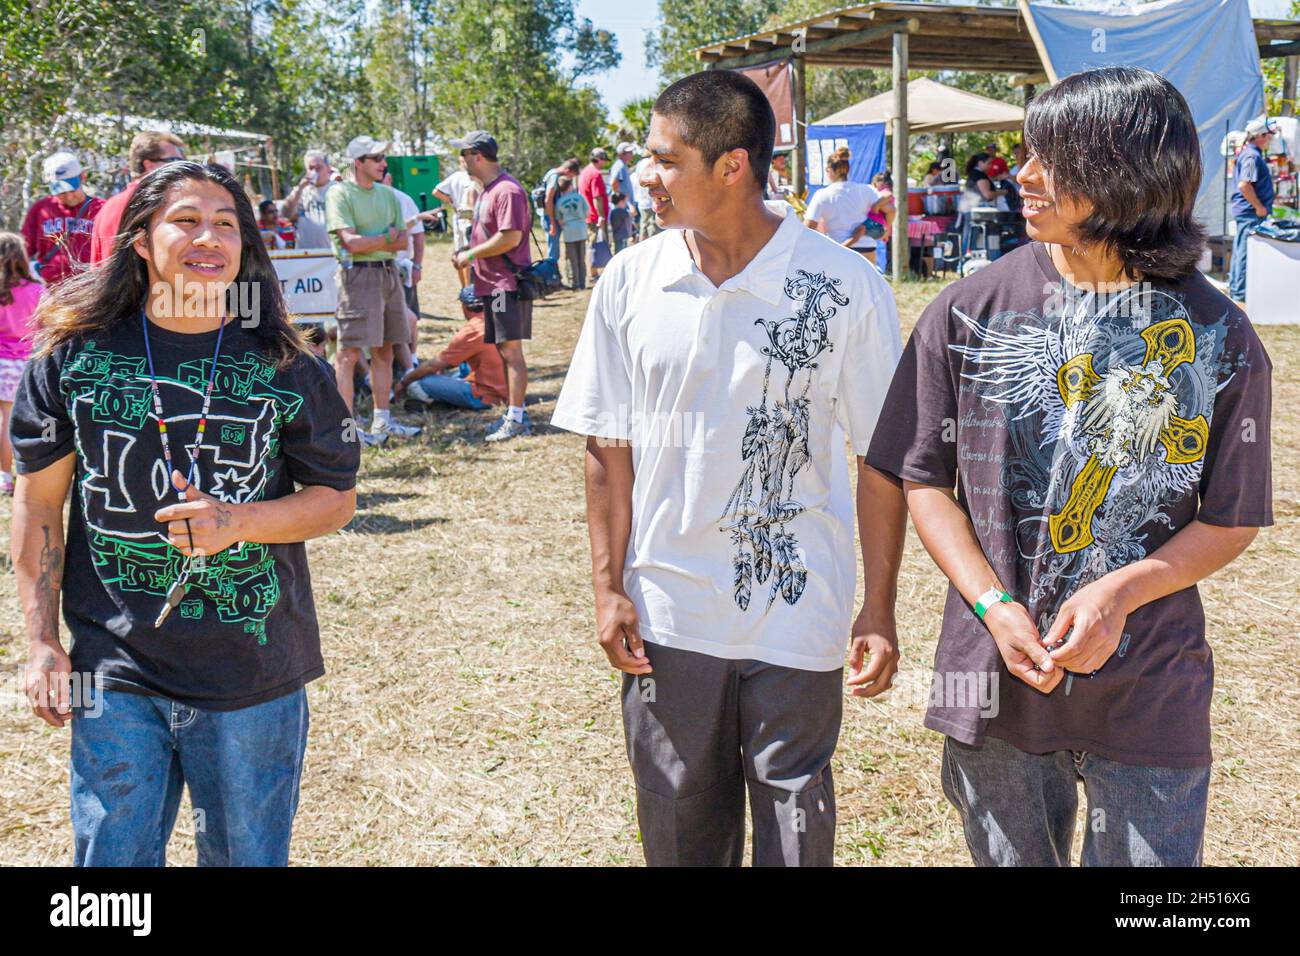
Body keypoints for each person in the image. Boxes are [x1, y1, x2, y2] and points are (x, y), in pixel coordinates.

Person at [866, 67, 1272, 867]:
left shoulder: (1221, 334)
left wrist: (1122, 592)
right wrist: (991, 603)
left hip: (1153, 688)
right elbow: (921, 478)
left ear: (1123, 171)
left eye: (1051, 157)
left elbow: (1232, 519)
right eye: (1027, 152)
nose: (1023, 174)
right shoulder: (967, 309)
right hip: (983, 678)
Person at [552, 69, 906, 867]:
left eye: (664, 159)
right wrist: (608, 587)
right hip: (667, 616)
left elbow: (881, 456)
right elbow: (608, 445)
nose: (645, 175)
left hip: (796, 611)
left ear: (731, 167)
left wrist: (877, 608)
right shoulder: (630, 280)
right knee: (680, 833)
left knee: (796, 834)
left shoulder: (844, 287)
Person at [11, 160, 361, 866]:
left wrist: (238, 522)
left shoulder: (285, 361)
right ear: (140, 239)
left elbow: (336, 500)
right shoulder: (74, 355)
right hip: (112, 666)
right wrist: (41, 641)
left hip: (253, 669)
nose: (210, 238)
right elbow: (40, 501)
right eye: (187, 220)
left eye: (227, 224)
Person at [325, 135, 421, 446]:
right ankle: (346, 430)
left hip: (388, 274)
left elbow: (402, 241)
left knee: (386, 350)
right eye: (377, 158)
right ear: (358, 163)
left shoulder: (388, 195)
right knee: (348, 353)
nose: (383, 164)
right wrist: (384, 238)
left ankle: (382, 422)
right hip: (357, 277)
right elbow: (351, 242)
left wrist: (372, 240)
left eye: (383, 158)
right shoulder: (339, 194)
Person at [448, 130, 533, 442]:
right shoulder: (486, 190)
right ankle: (513, 414)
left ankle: (517, 418)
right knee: (503, 350)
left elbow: (510, 237)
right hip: (493, 285)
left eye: (464, 154)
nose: (462, 160)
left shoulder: (507, 191)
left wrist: (469, 254)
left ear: (478, 156)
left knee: (510, 352)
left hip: (504, 285)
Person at [89, 131, 186, 263]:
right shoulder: (156, 202)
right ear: (149, 165)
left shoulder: (107, 207)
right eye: (174, 161)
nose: (181, 168)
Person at [395, 305, 507, 411]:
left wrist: (405, 381)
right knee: (462, 367)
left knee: (424, 381)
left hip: (485, 397)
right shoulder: (498, 318)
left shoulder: (472, 329)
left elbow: (432, 366)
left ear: (465, 307)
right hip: (507, 391)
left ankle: (431, 401)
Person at [22, 152, 105, 286]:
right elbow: (23, 250)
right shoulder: (41, 209)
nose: (68, 196)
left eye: (72, 189)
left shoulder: (102, 209)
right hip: (50, 293)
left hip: (90, 292)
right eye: (61, 192)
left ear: (82, 177)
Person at [0, 233, 41, 496]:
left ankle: (4, 476)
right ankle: (31, 471)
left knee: (2, 421)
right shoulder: (37, 290)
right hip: (25, 364)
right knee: (22, 421)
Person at [802, 147, 889, 265]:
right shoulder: (866, 189)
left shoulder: (822, 195)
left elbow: (808, 228)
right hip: (867, 249)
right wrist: (886, 230)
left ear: (830, 171)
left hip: (839, 250)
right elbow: (889, 207)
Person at [1228, 117, 1277, 304]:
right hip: (1250, 212)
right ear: (1259, 136)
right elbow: (1244, 185)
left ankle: (1236, 288)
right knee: (1245, 251)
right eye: (1267, 136)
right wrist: (1259, 207)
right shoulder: (1252, 156)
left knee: (1241, 249)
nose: (1269, 140)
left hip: (1247, 211)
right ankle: (1240, 292)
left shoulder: (1250, 154)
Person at [381, 170, 426, 357]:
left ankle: (410, 359)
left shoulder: (403, 200)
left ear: (389, 178)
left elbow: (418, 235)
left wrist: (417, 265)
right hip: (372, 271)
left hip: (399, 268)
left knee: (407, 318)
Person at [432, 158, 480, 288]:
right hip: (468, 222)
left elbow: (436, 191)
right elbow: (436, 191)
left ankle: (465, 288)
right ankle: (468, 288)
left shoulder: (456, 177)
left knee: (461, 255)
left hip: (460, 219)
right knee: (467, 257)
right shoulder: (471, 177)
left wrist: (451, 201)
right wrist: (452, 201)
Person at [278, 149, 338, 250]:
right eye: (311, 168)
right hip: (305, 255)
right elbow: (286, 215)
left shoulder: (338, 190)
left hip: (331, 254)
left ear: (328, 168)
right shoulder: (301, 191)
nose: (314, 172)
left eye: (318, 168)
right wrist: (299, 189)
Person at [554, 174, 590, 290]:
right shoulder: (579, 197)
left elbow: (559, 218)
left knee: (572, 258)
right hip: (581, 229)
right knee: (581, 257)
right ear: (570, 186)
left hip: (569, 231)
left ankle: (575, 283)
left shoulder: (559, 201)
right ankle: (583, 282)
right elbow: (587, 213)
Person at [542, 157, 581, 263]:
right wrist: (552, 223)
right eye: (571, 175)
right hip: (550, 217)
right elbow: (548, 200)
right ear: (567, 170)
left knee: (555, 250)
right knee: (553, 252)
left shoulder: (552, 173)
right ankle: (552, 276)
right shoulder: (554, 176)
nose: (569, 178)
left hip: (554, 217)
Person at [579, 147, 610, 279]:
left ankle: (593, 272)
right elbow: (597, 197)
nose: (604, 163)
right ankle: (593, 272)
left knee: (592, 243)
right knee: (594, 244)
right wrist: (601, 216)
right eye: (603, 160)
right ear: (599, 159)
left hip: (587, 215)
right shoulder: (595, 174)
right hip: (594, 216)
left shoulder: (584, 172)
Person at [609, 142, 638, 236]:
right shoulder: (620, 165)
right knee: (621, 239)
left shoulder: (623, 165)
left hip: (624, 207)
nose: (631, 154)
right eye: (629, 152)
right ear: (621, 154)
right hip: (621, 208)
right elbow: (613, 182)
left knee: (625, 237)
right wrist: (622, 201)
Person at [633, 152, 660, 241]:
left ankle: (642, 248)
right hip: (649, 200)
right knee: (652, 226)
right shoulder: (649, 163)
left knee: (643, 226)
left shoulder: (639, 164)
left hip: (642, 201)